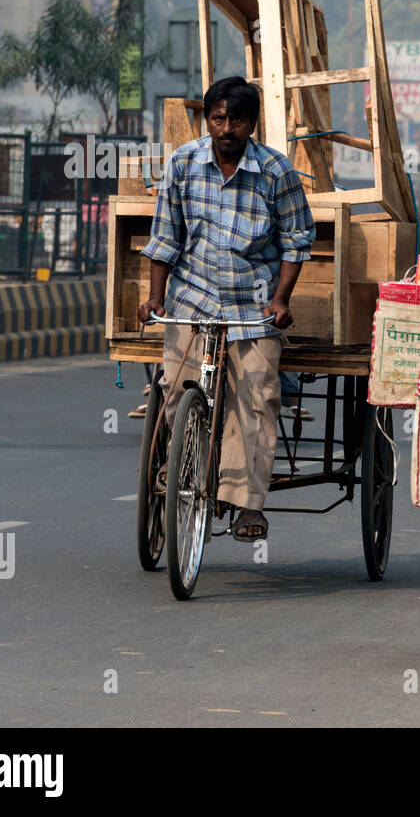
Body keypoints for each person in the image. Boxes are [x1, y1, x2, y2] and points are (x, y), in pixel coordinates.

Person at [139, 76, 315, 543]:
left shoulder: (276, 171)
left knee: (256, 401)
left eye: (237, 119)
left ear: (252, 123)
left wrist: (281, 301)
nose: (227, 127)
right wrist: (155, 298)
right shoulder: (182, 163)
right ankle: (188, 470)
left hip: (252, 306)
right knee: (176, 395)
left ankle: (246, 506)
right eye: (218, 118)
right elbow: (164, 239)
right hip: (191, 301)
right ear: (207, 120)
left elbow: (297, 242)